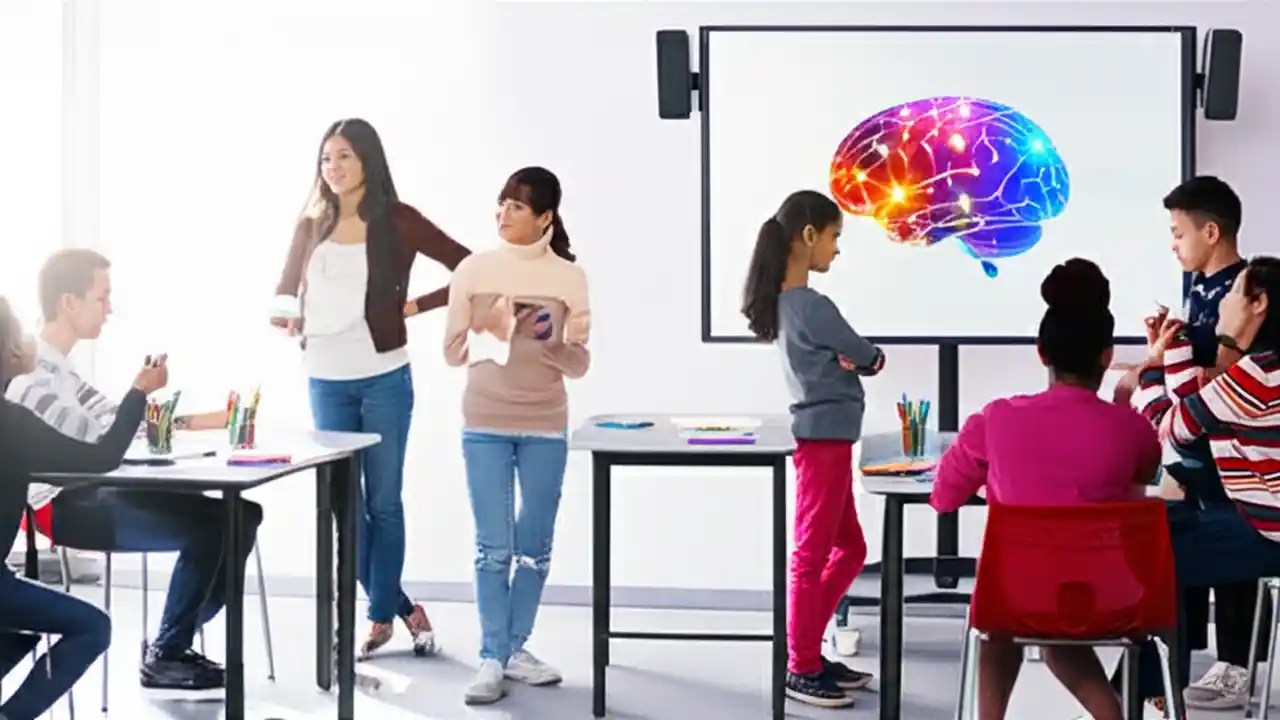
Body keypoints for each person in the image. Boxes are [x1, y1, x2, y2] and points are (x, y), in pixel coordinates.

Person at [4, 249, 262, 691]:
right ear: (69, 303)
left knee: (242, 515)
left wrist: (205, 420)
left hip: (100, 489)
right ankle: (167, 650)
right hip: (65, 506)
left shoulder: (63, 369)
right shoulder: (31, 374)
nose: (110, 310)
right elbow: (95, 442)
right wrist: (137, 394)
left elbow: (118, 422)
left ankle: (170, 639)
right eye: (102, 298)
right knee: (213, 526)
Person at [271, 118, 471, 659]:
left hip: (383, 377)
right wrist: (287, 317)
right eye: (325, 159)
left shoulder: (398, 220)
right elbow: (284, 290)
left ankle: (379, 615)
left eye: (344, 157)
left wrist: (415, 306)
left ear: (368, 161)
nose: (332, 169)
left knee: (383, 503)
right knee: (344, 508)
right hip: (326, 380)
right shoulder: (311, 222)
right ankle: (403, 607)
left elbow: (471, 267)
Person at [930, 259, 1163, 720]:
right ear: (1106, 355)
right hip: (1110, 600)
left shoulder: (996, 419)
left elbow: (944, 497)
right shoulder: (1133, 429)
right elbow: (1145, 473)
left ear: (1041, 353)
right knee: (1060, 628)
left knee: (1003, 624)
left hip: (1015, 600)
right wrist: (1121, 405)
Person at [1114, 175, 1264, 712]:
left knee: (1235, 558)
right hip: (1198, 441)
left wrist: (1161, 363)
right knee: (1182, 542)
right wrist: (1166, 348)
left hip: (1233, 450)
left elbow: (1220, 369)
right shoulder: (1200, 289)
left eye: (1178, 233)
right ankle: (1184, 661)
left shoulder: (1246, 293)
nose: (1173, 244)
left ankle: (1237, 664)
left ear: (1212, 230)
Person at [443, 166, 589, 705]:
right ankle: (491, 655)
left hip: (546, 425)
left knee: (535, 550)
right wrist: (493, 324)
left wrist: (551, 341)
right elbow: (452, 351)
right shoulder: (473, 270)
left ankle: (512, 649)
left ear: (545, 218)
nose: (503, 214)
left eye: (517, 207)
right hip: (484, 423)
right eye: (501, 204)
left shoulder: (569, 279)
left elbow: (579, 364)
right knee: (492, 549)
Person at [740, 189, 879, 709]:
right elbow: (868, 355)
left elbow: (852, 357)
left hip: (830, 437)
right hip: (823, 441)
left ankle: (808, 653)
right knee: (812, 553)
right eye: (835, 236)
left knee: (851, 549)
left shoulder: (787, 304)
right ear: (809, 236)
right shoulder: (811, 305)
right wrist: (863, 361)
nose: (837, 249)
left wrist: (853, 361)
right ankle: (800, 664)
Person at [0, 294, 168, 720]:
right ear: (11, 351)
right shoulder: (13, 424)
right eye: (21, 330)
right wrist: (139, 392)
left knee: (20, 631)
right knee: (93, 626)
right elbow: (101, 457)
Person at [1131, 256, 1280, 717]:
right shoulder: (1258, 369)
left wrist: (1151, 371)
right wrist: (1169, 353)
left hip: (1268, 532)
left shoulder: (1256, 376)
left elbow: (1170, 427)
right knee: (1163, 525)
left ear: (1258, 303)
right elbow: (1199, 399)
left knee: (1153, 544)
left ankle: (1149, 690)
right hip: (1260, 519)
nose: (1221, 306)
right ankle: (1148, 685)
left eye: (1233, 293)